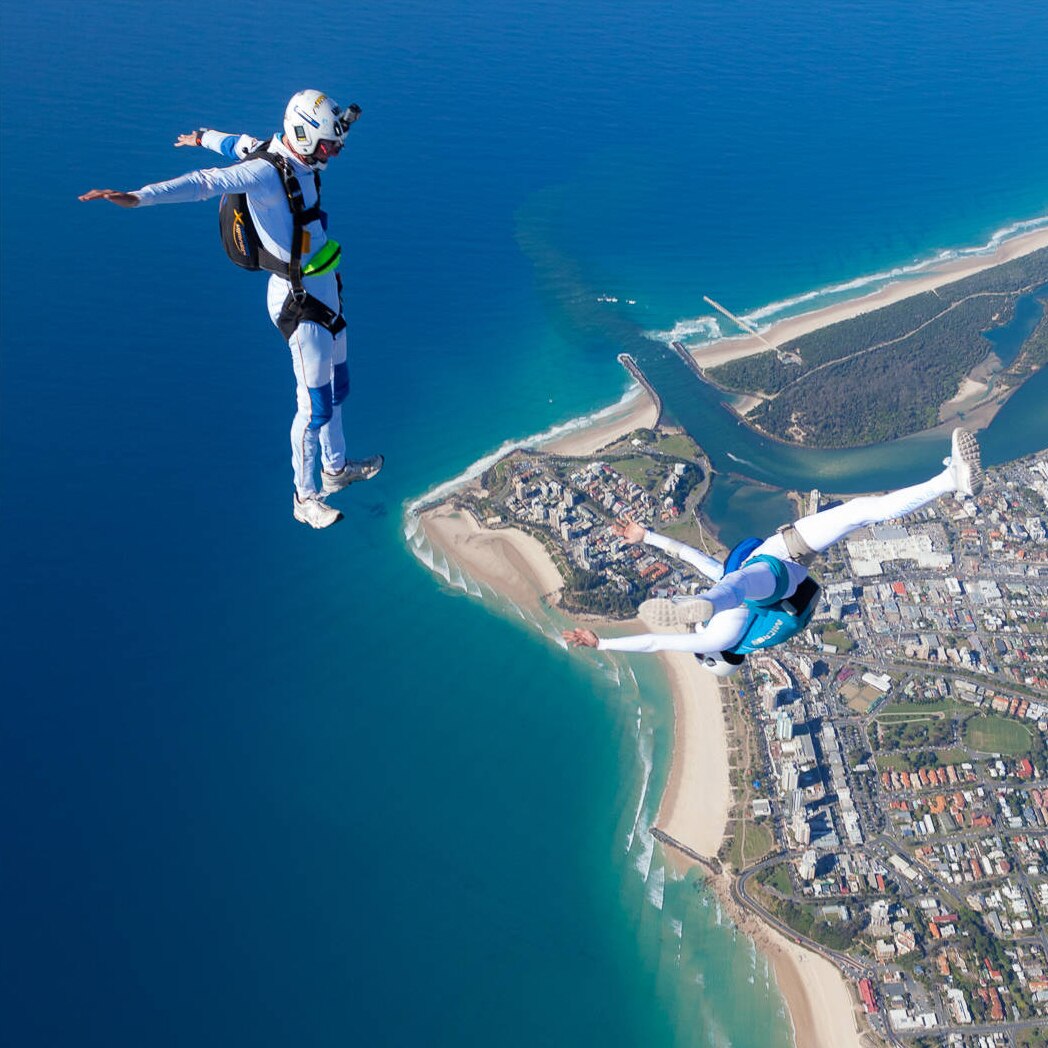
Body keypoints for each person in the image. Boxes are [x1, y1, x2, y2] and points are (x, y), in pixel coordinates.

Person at [79, 90, 382, 529]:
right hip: (298, 299)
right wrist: (139, 197)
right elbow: (204, 183)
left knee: (339, 388)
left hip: (324, 285)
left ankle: (335, 469)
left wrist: (201, 136)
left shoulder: (284, 152)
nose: (332, 153)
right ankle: (304, 497)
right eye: (326, 146)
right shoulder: (263, 173)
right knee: (314, 407)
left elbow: (233, 142)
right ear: (301, 136)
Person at [563, 428, 983, 675]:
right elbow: (657, 642)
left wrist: (648, 538)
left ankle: (950, 481)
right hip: (773, 574)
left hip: (788, 557)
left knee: (858, 512)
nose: (697, 638)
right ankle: (705, 601)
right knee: (737, 586)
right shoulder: (724, 637)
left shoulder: (732, 637)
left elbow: (696, 560)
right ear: (712, 655)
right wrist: (602, 645)